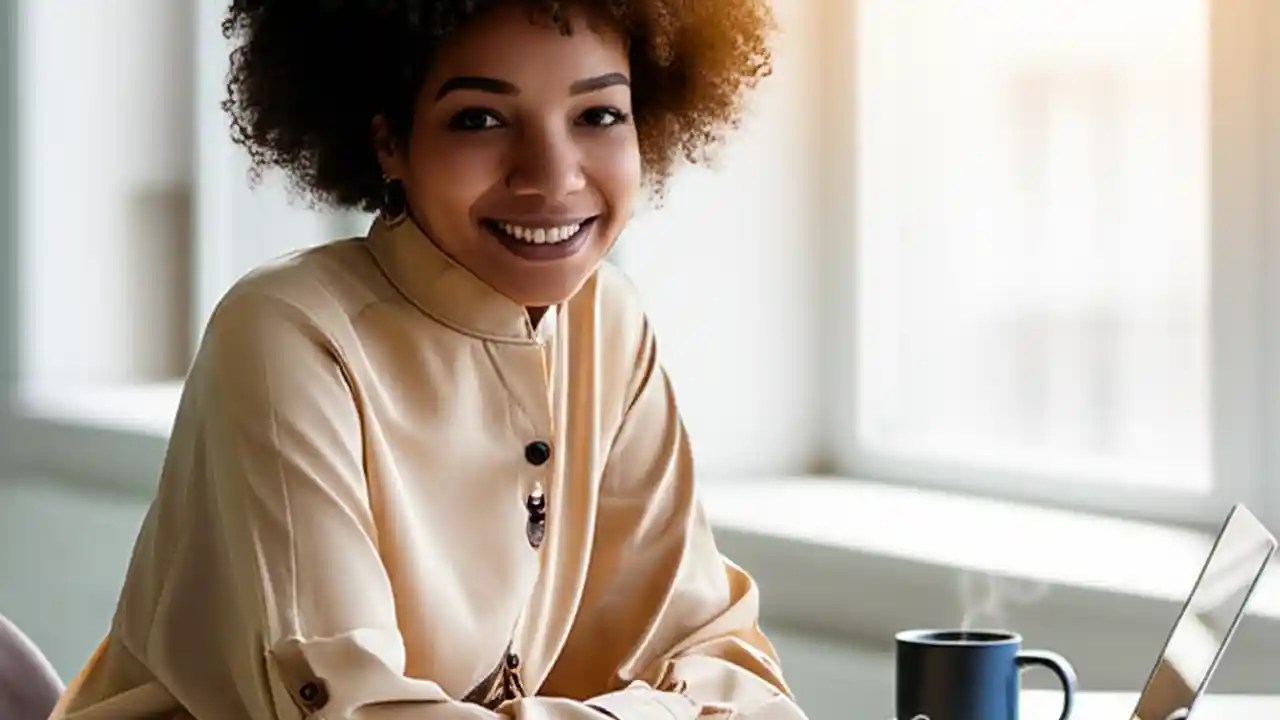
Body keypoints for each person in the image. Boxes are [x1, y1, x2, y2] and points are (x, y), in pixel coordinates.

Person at [52, 1, 806, 718]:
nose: (552, 173)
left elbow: (727, 667)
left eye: (598, 114)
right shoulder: (288, 331)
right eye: (479, 119)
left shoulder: (608, 319)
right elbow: (349, 709)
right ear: (388, 141)